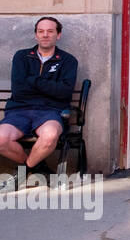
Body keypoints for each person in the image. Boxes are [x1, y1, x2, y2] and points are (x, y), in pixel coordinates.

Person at [0, 17, 78, 173]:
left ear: (58, 35)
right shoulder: (22, 57)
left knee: (50, 136)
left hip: (51, 111)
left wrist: (33, 80)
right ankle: (37, 167)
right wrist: (50, 85)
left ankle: (24, 171)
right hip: (19, 110)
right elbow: (19, 90)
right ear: (36, 35)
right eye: (41, 31)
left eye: (50, 31)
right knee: (1, 139)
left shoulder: (68, 61)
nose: (45, 35)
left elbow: (64, 93)